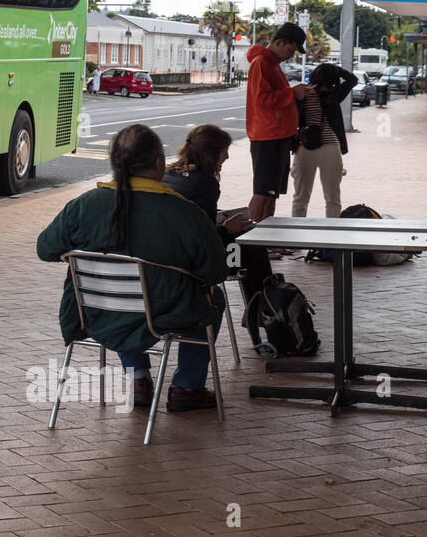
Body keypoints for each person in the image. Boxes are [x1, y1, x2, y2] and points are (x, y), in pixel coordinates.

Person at [37, 124, 229, 411]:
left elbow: (45, 249)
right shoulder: (185, 212)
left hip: (95, 312)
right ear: (158, 164)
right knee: (212, 296)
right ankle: (187, 387)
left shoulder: (83, 205)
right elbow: (215, 272)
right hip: (169, 314)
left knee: (127, 302)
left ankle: (137, 377)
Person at [162, 124, 273, 343]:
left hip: (169, 252)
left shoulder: (169, 174)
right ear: (211, 152)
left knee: (250, 246)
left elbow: (191, 219)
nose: (228, 156)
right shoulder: (205, 182)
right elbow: (205, 237)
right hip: (196, 260)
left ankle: (261, 312)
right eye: (224, 150)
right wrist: (224, 229)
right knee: (253, 248)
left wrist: (218, 219)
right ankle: (264, 312)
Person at [245, 23, 308, 223]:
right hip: (267, 137)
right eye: (290, 49)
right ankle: (253, 239)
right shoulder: (261, 63)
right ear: (279, 42)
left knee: (272, 193)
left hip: (278, 136)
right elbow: (262, 98)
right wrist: (292, 92)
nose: (290, 55)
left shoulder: (273, 65)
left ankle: (266, 239)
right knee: (263, 192)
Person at [291, 63, 357, 218]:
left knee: (333, 197)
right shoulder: (302, 93)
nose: (326, 89)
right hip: (304, 147)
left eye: (330, 85)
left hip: (331, 147)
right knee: (300, 198)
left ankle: (333, 235)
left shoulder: (334, 94)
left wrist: (333, 69)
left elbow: (352, 80)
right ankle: (296, 236)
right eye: (323, 84)